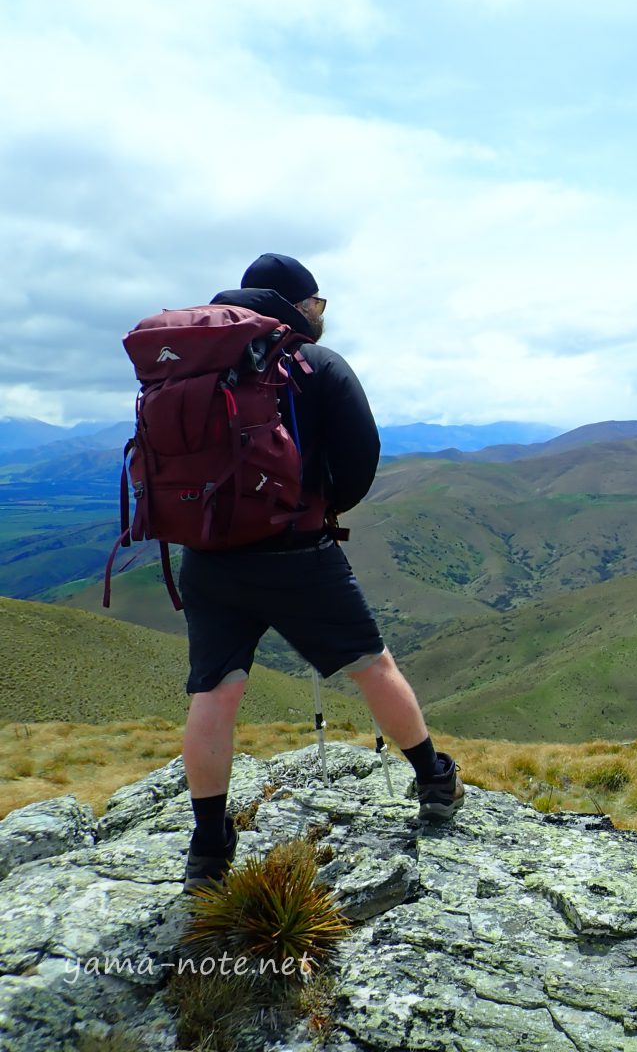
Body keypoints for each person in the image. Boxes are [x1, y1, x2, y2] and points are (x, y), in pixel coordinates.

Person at [180, 252, 463, 893]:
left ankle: (207, 846)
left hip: (207, 556)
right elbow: (362, 458)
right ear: (298, 303)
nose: (321, 313)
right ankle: (433, 780)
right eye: (319, 302)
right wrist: (318, 507)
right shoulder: (316, 363)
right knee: (371, 663)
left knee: (215, 692)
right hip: (296, 552)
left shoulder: (199, 359)